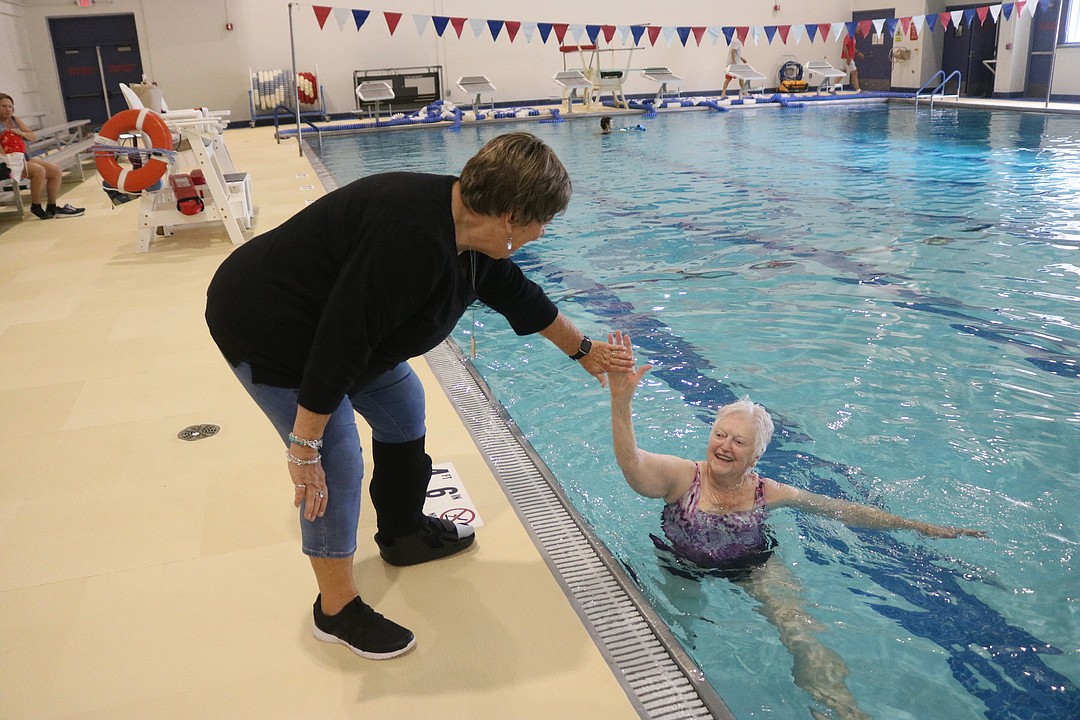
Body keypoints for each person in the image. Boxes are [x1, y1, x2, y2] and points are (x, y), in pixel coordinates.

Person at [205, 132, 634, 661]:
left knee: (403, 404)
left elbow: (519, 296)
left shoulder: (467, 229)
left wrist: (584, 351)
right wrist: (304, 447)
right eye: (539, 221)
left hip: (337, 332)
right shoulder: (408, 238)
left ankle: (403, 531)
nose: (541, 233)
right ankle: (335, 610)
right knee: (335, 460)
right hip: (272, 330)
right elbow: (341, 343)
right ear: (509, 214)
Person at [606, 330, 985, 719]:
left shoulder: (768, 491)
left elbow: (841, 510)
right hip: (681, 563)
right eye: (720, 434)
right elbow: (633, 465)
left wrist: (914, 525)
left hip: (752, 564)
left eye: (738, 442)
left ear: (755, 456)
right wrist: (621, 402)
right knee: (678, 635)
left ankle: (842, 709)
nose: (724, 445)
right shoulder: (684, 477)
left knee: (803, 631)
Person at [0, 93, 84, 219]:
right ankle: (36, 206)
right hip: (7, 162)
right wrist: (11, 160)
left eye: (10, 106)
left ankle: (52, 207)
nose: (8, 109)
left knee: (55, 170)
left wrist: (21, 132)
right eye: (3, 106)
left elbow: (32, 137)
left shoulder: (14, 119)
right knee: (39, 171)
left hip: (22, 157)